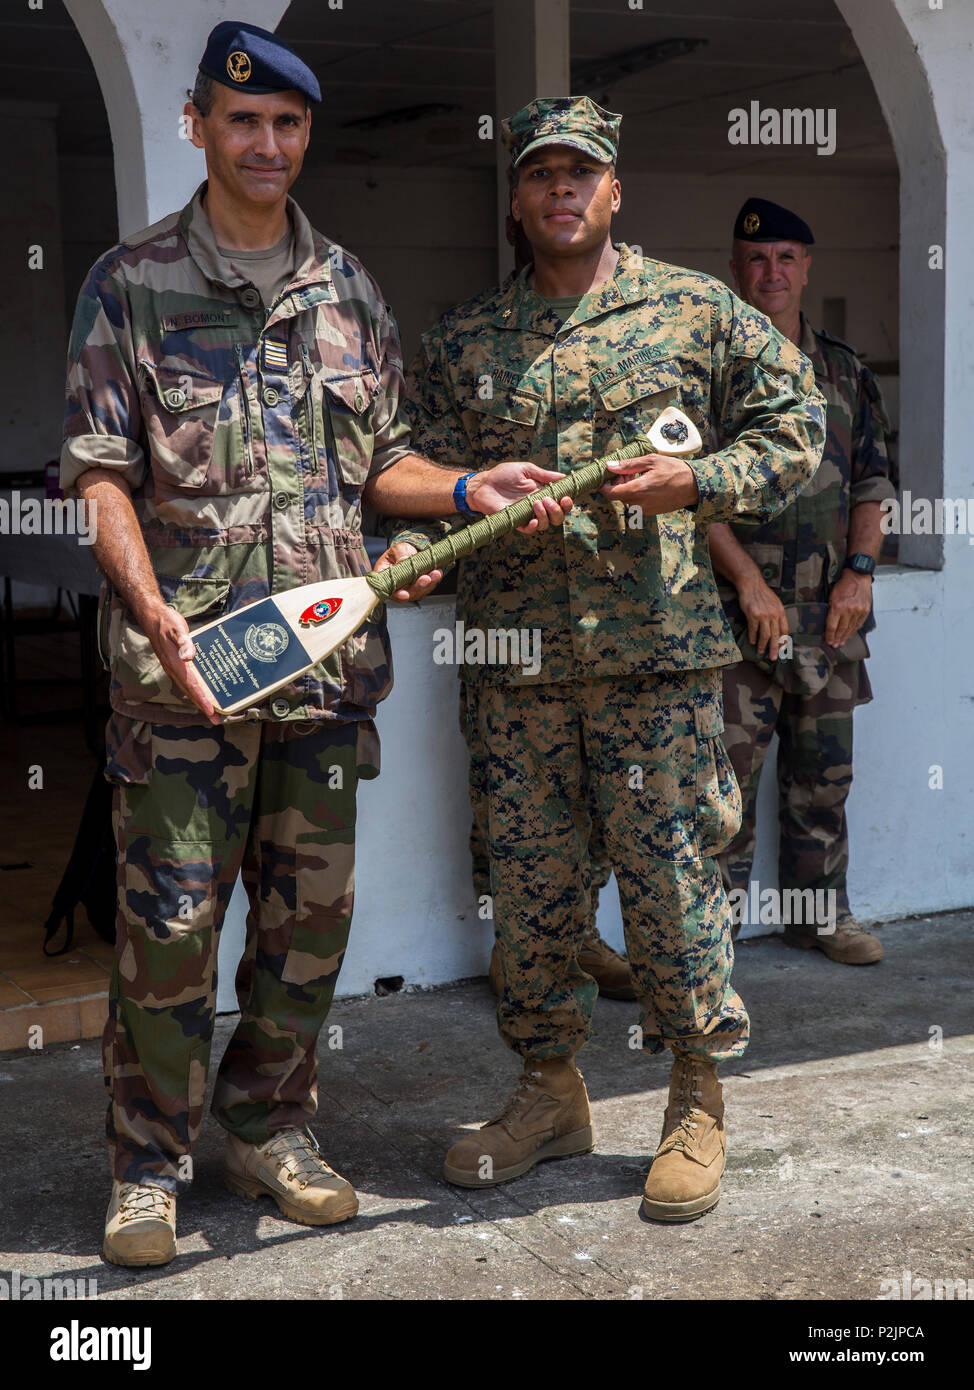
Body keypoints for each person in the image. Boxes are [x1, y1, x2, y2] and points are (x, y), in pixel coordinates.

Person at [63, 20, 571, 1269]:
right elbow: (96, 478)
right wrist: (154, 613)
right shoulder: (128, 284)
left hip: (326, 678)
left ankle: (266, 1128)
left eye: (288, 124)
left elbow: (381, 461)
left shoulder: (347, 287)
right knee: (173, 930)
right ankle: (146, 1166)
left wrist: (465, 490)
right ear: (199, 125)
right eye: (244, 121)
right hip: (187, 682)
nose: (268, 143)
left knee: (308, 929)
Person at [376, 98, 825, 1221]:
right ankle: (546, 1092)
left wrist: (699, 482)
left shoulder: (692, 310)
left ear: (614, 189)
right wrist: (414, 543)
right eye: (540, 175)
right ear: (518, 199)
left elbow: (796, 425)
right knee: (529, 902)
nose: (561, 190)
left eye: (581, 173)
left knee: (673, 893)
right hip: (516, 676)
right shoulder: (466, 338)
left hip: (657, 673)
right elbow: (418, 475)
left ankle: (694, 1094)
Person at [710, 197, 895, 964]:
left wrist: (859, 574)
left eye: (786, 258)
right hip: (735, 618)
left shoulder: (844, 370)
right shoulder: (709, 374)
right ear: (735, 269)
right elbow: (689, 493)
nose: (771, 271)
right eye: (757, 258)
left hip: (829, 617)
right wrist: (751, 585)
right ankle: (709, 940)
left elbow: (872, 484)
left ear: (806, 268)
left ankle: (819, 916)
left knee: (824, 778)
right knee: (724, 790)